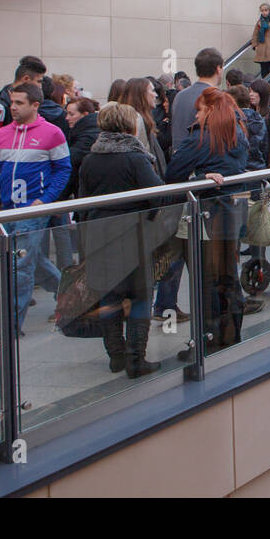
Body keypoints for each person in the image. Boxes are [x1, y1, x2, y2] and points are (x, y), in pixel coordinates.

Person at [0, 83, 70, 345]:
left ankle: (10, 326)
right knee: (33, 260)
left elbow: (63, 170)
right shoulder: (1, 135)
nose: (13, 107)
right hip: (8, 211)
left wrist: (44, 200)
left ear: (35, 105)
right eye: (12, 102)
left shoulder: (52, 133)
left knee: (19, 267)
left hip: (32, 211)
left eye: (20, 102)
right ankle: (71, 297)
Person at [76, 103, 168, 378]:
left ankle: (115, 356)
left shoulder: (90, 159)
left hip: (98, 233)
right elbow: (158, 195)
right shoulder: (136, 158)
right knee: (140, 295)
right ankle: (136, 358)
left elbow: (83, 201)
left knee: (109, 296)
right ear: (130, 127)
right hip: (132, 233)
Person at [165, 88, 251, 347]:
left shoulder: (200, 138)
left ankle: (208, 339)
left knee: (207, 280)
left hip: (205, 216)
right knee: (228, 276)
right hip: (232, 213)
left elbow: (172, 175)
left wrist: (197, 180)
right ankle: (231, 335)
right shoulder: (239, 135)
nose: (197, 114)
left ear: (210, 111)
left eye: (201, 109)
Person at [252, 2, 270, 77]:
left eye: (265, 10)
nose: (264, 12)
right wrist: (255, 45)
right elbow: (255, 34)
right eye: (262, 11)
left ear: (269, 10)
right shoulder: (260, 22)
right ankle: (264, 87)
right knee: (263, 72)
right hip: (262, 50)